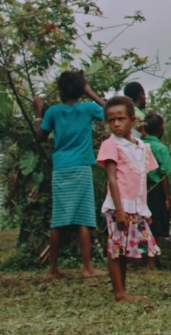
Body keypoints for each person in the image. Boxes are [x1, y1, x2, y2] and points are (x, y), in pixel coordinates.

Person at [33, 70, 107, 280]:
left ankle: (53, 268)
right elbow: (109, 111)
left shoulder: (53, 112)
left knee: (59, 219)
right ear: (81, 90)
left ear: (61, 91)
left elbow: (40, 136)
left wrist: (38, 111)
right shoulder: (88, 108)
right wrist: (90, 92)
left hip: (61, 169)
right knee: (84, 218)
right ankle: (87, 267)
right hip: (81, 167)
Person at [98, 96, 161, 301]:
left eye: (121, 119)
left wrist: (144, 210)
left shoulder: (141, 147)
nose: (116, 124)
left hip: (135, 206)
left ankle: (122, 290)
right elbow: (112, 179)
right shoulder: (111, 145)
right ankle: (119, 292)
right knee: (116, 248)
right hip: (119, 204)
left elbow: (142, 180)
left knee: (124, 249)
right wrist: (118, 210)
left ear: (132, 120)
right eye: (111, 120)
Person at [140, 113, 171, 270]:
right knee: (154, 223)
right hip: (155, 188)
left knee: (141, 222)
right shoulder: (161, 148)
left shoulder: (138, 144)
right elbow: (164, 174)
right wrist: (167, 197)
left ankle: (142, 258)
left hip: (138, 188)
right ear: (161, 128)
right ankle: (152, 261)